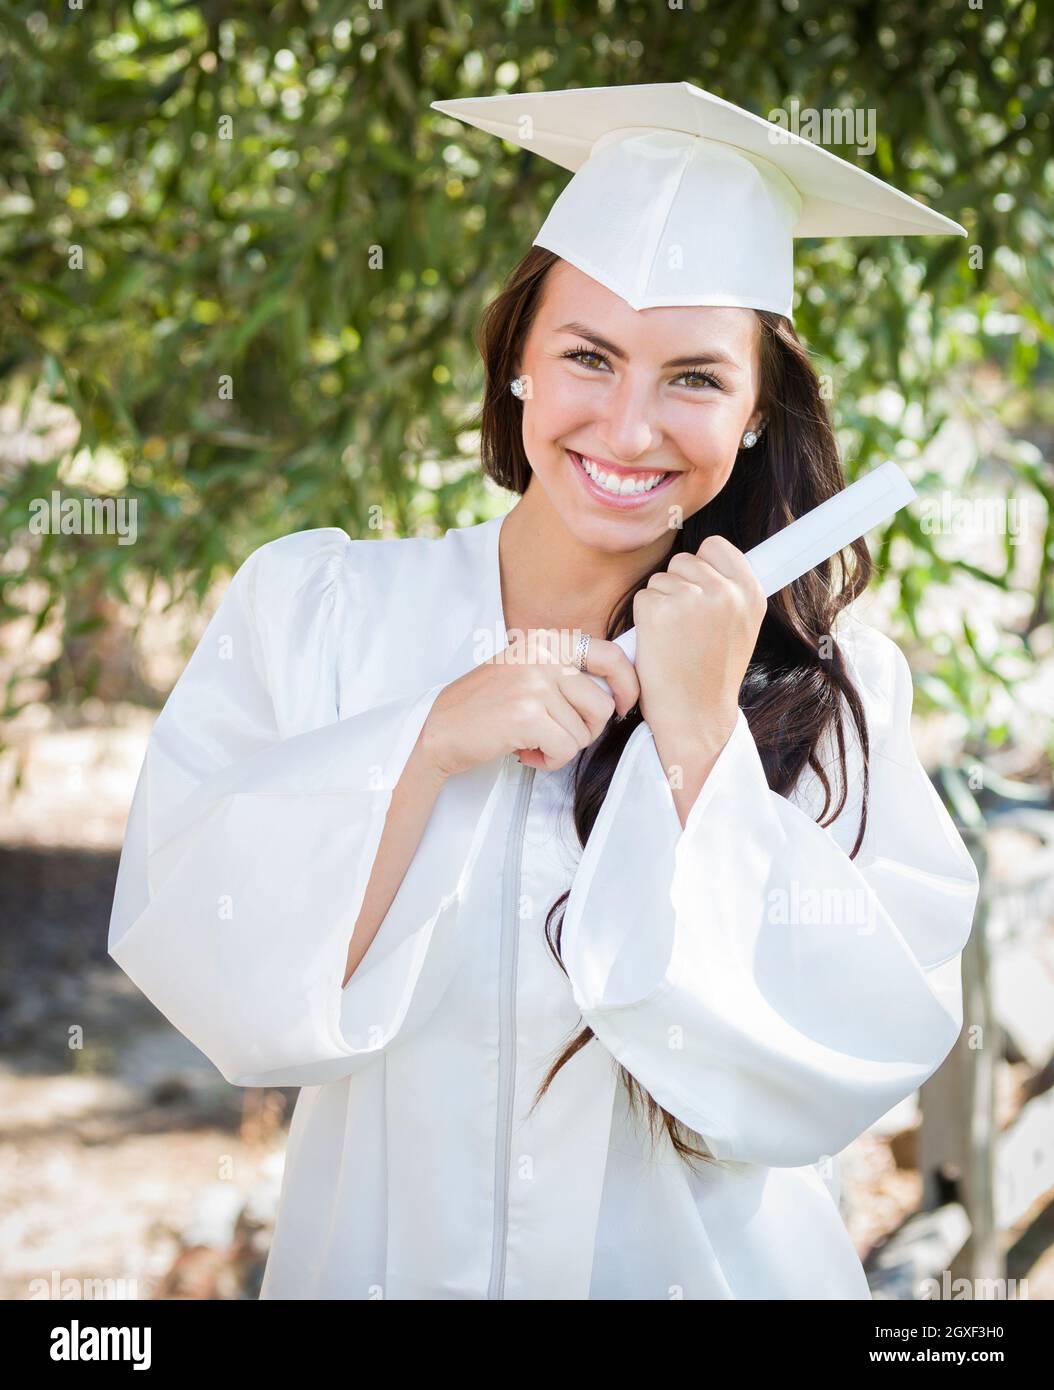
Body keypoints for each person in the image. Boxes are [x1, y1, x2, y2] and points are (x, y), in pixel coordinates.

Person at [107, 81, 980, 1300]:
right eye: (586, 355)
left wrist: (696, 737)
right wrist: (422, 742)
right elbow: (204, 953)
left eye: (693, 378)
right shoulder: (322, 615)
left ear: (754, 412)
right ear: (516, 356)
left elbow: (848, 1051)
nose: (628, 427)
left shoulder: (830, 692)